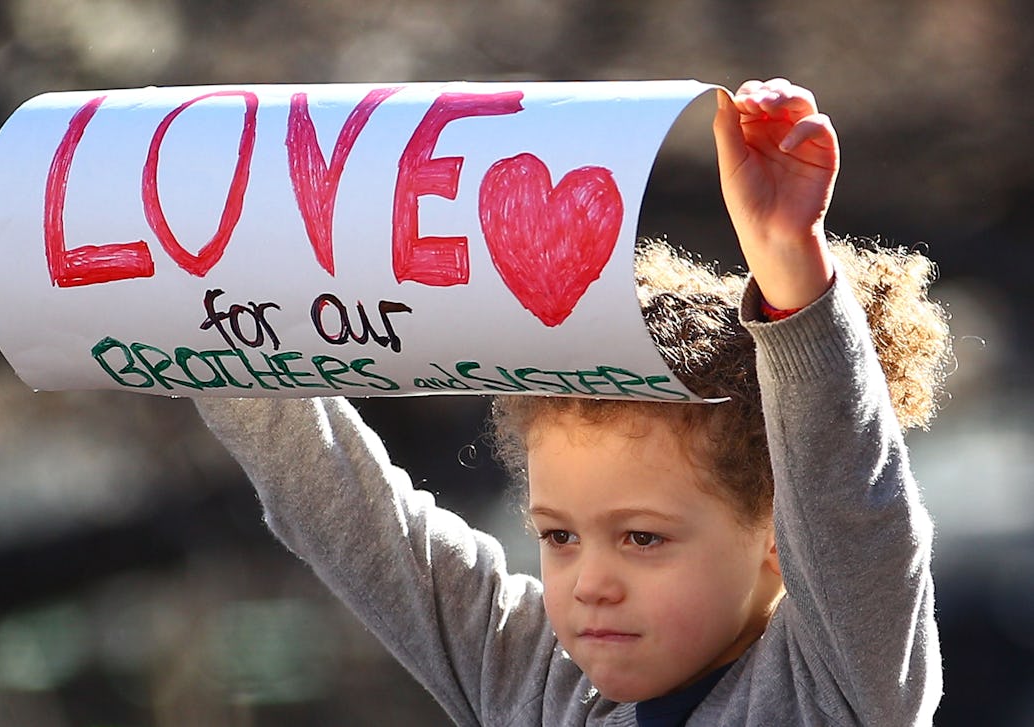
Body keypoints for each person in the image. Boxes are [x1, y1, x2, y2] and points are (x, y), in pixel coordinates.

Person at [196, 78, 950, 725]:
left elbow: (849, 500)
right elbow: (337, 505)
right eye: (559, 536)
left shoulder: (839, 689)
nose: (590, 583)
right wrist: (187, 305)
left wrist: (792, 270)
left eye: (642, 538)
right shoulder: (530, 679)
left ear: (782, 535)